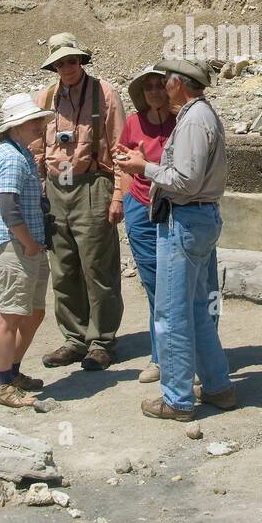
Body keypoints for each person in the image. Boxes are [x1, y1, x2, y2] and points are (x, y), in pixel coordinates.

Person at [114, 54, 236, 421]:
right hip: (195, 219)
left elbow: (185, 180)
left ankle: (178, 399)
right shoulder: (198, 116)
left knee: (172, 313)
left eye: (166, 80)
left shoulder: (195, 120)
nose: (162, 86)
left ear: (178, 84)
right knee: (198, 309)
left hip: (184, 220)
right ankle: (218, 386)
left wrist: (143, 167)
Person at [35, 33, 126, 371]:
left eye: (71, 60)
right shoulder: (45, 97)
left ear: (81, 61)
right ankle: (75, 339)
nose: (66, 67)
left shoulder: (105, 93)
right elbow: (36, 148)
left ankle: (102, 340)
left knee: (98, 268)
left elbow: (120, 147)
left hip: (93, 185)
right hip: (56, 190)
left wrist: (118, 195)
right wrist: (39, 190)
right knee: (64, 268)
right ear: (54, 66)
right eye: (60, 63)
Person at [0, 93, 53, 409]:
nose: (39, 125)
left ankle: (12, 373)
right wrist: (27, 241)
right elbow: (9, 207)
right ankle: (3, 383)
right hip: (17, 246)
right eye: (32, 121)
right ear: (16, 127)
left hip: (27, 244)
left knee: (33, 311)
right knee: (11, 315)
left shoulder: (19, 153)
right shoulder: (12, 158)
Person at [116, 67, 176, 384]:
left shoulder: (182, 120)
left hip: (173, 208)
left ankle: (174, 354)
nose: (154, 91)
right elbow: (123, 162)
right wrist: (123, 200)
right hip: (140, 207)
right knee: (154, 285)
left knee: (175, 284)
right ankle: (159, 356)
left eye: (159, 85)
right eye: (148, 87)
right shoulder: (133, 123)